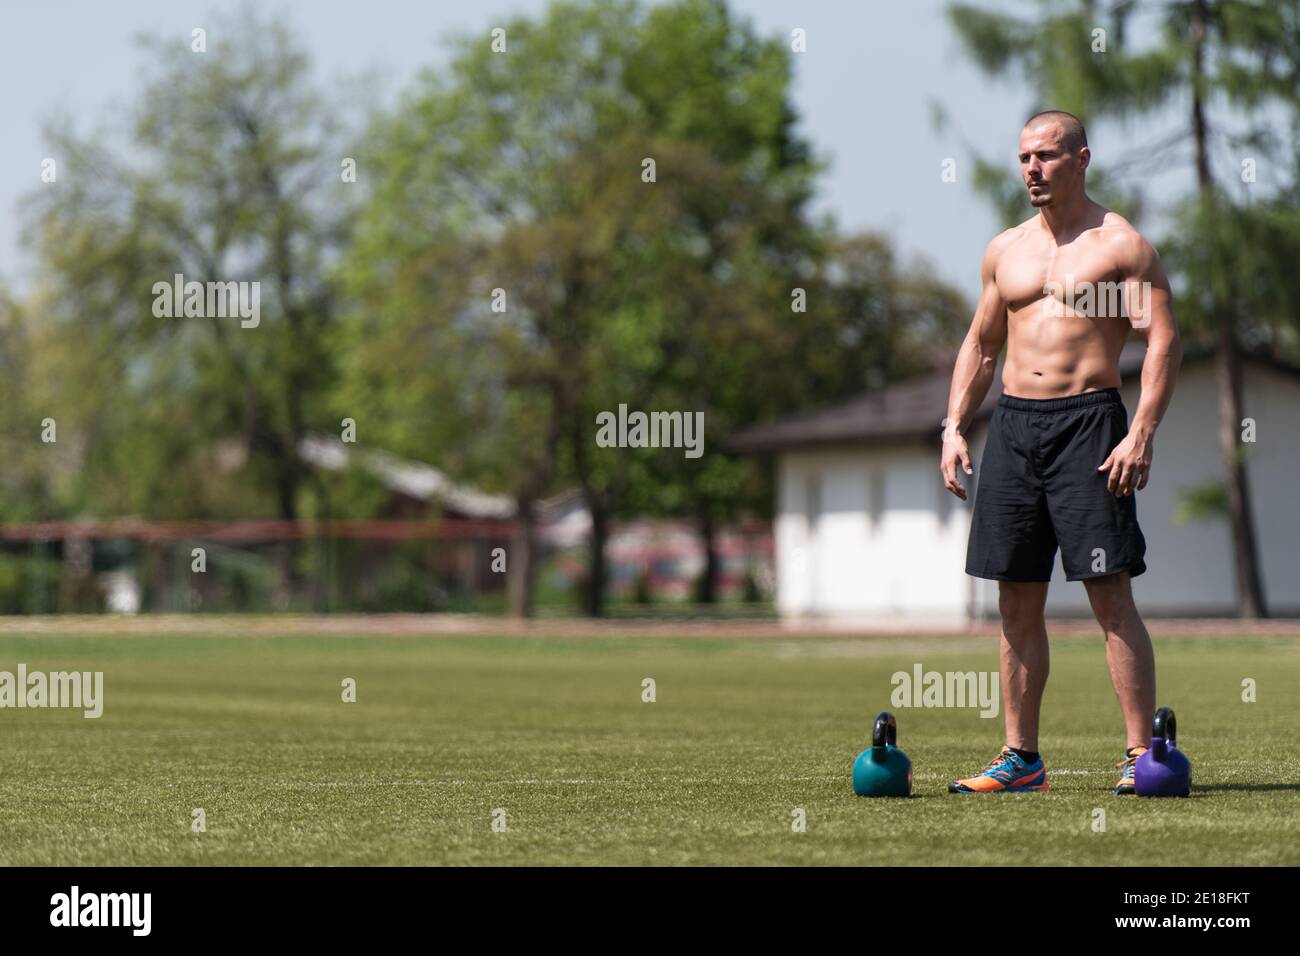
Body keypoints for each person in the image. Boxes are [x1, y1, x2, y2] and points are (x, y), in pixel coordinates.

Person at [940, 110, 1182, 795]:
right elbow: (984, 344)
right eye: (1023, 158)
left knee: (1110, 594)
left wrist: (1142, 430)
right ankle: (1021, 758)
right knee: (1015, 599)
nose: (1032, 170)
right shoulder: (1006, 250)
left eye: (1046, 156)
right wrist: (955, 424)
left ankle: (1142, 756)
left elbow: (1161, 339)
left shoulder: (1119, 246)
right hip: (1015, 428)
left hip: (1089, 425)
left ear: (1081, 159)